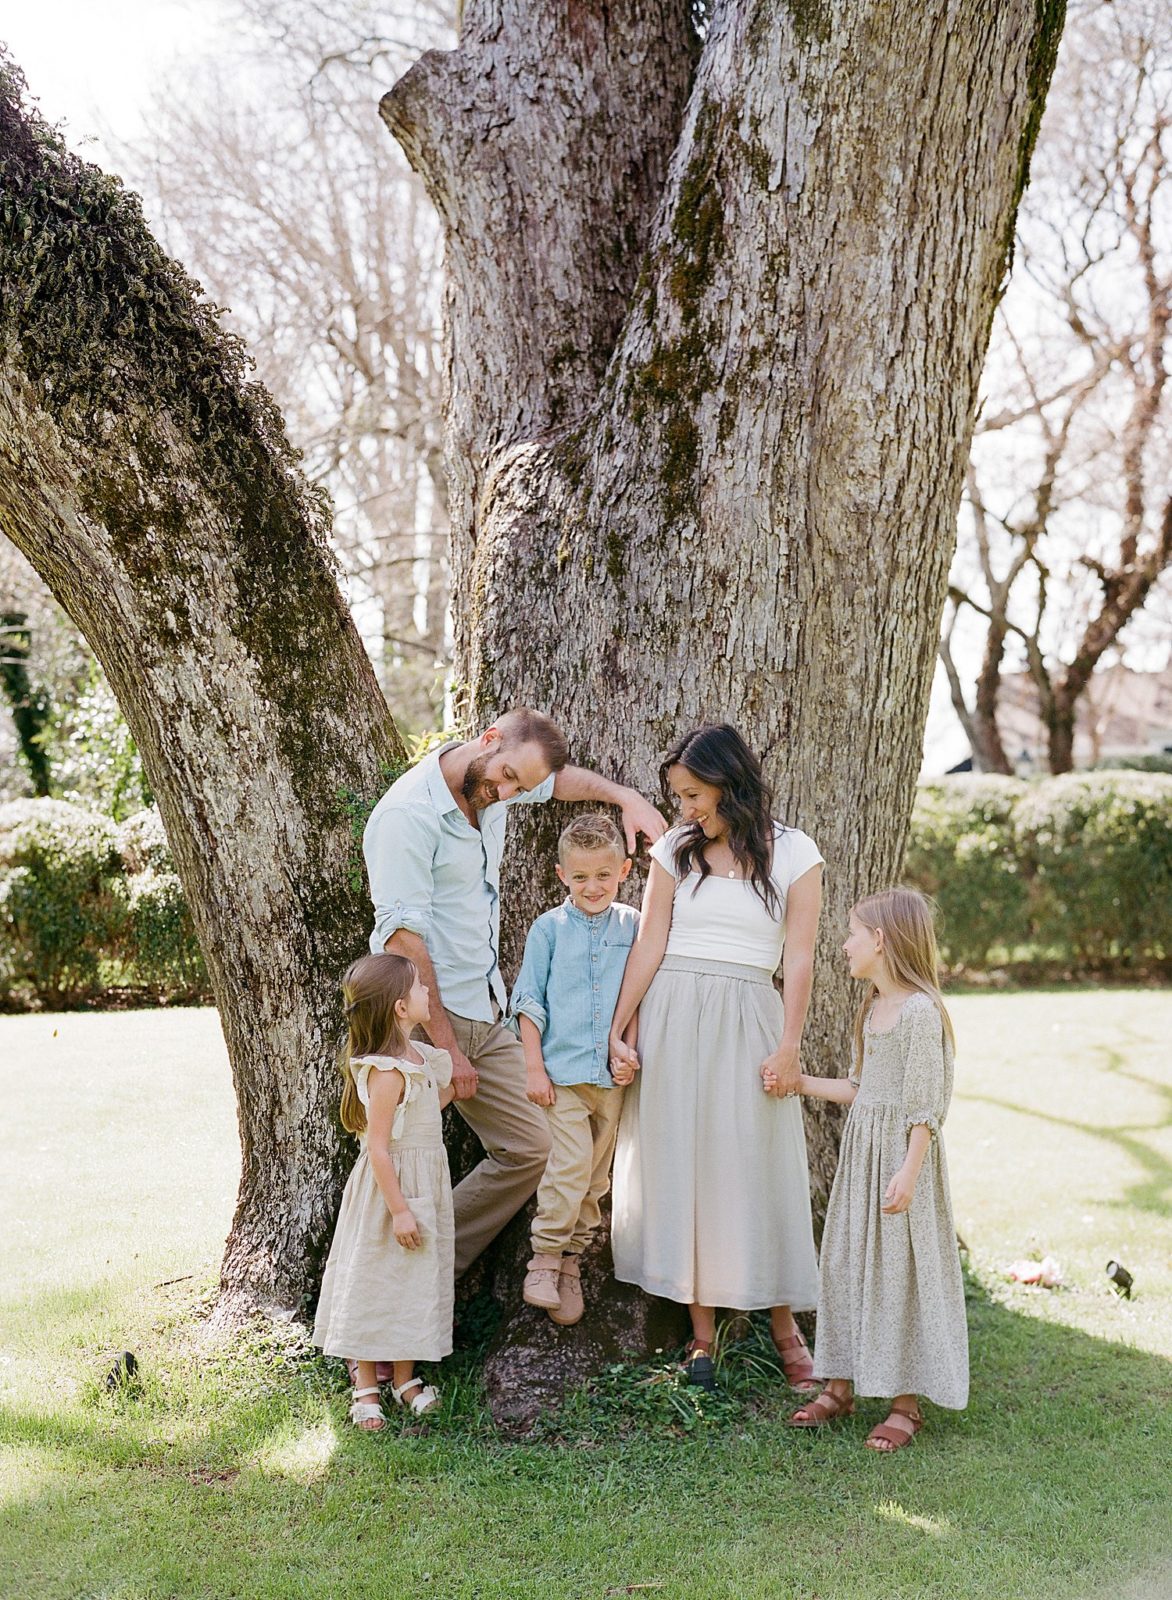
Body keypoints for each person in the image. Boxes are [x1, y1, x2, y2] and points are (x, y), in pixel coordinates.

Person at [363, 708, 664, 1275]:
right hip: (430, 1020)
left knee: (535, 1147)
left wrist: (625, 797)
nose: (506, 792)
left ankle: (429, 1265)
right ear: (489, 738)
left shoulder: (493, 786)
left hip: (488, 1009)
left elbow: (557, 784)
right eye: (505, 777)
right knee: (399, 1153)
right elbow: (404, 942)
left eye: (517, 787)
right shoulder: (408, 817)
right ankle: (390, 1281)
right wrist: (447, 1049)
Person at [608, 724, 823, 1392]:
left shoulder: (795, 853)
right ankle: (701, 1333)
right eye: (679, 797)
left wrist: (789, 1047)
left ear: (730, 782)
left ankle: (784, 1327)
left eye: (694, 795)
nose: (685, 810)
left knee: (756, 1165)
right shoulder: (675, 850)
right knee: (686, 1164)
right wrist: (619, 1029)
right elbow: (649, 943)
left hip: (749, 1017)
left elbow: (801, 956)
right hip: (673, 1015)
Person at [787, 887, 969, 1451]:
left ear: (881, 940)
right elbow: (861, 1088)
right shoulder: (872, 1006)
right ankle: (839, 1384)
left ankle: (905, 1404)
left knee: (900, 1274)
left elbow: (924, 1107)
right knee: (846, 1260)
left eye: (852, 933)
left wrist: (910, 1173)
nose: (844, 944)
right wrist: (797, 1084)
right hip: (862, 1159)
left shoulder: (920, 1013)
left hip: (900, 1160)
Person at [313, 953, 455, 1429]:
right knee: (373, 1282)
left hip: (421, 1185)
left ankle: (404, 1379)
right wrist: (399, 1211)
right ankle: (366, 1384)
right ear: (400, 1007)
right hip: (388, 1193)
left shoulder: (420, 1059)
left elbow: (426, 1105)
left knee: (412, 1284)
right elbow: (377, 1147)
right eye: (420, 988)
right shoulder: (388, 1070)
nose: (428, 993)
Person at [510, 813, 640, 1327]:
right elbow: (529, 1000)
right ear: (562, 874)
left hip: (611, 1080)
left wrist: (628, 1052)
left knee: (594, 1178)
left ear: (624, 870)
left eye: (603, 876)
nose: (593, 887)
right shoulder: (549, 930)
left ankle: (571, 1264)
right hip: (560, 1076)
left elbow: (640, 998)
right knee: (567, 1166)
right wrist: (533, 1068)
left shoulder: (633, 926)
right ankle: (542, 1258)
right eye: (580, 877)